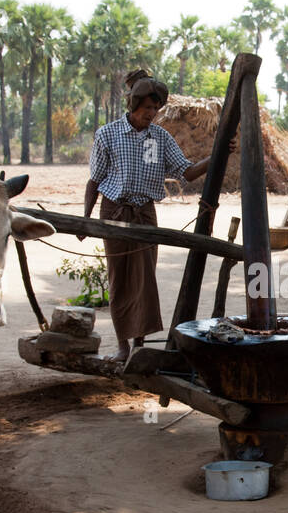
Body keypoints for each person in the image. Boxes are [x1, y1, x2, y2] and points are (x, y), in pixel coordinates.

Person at [85, 71, 213, 362]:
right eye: (146, 108)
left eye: (155, 109)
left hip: (144, 213)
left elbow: (188, 172)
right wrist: (86, 220)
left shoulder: (161, 138)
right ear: (133, 106)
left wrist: (215, 155)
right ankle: (122, 346)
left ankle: (139, 346)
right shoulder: (108, 134)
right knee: (119, 279)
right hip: (114, 211)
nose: (151, 114)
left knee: (144, 280)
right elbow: (95, 180)